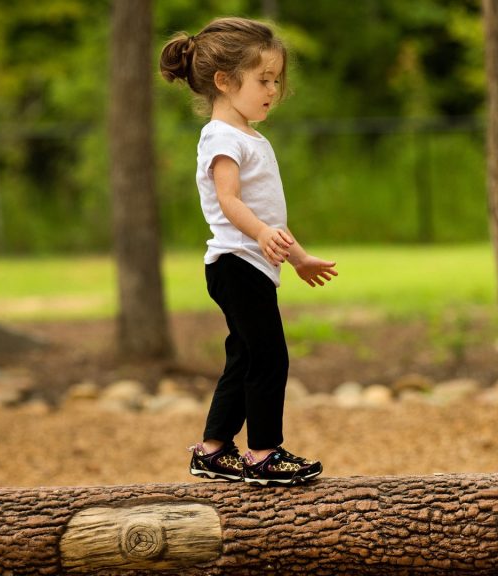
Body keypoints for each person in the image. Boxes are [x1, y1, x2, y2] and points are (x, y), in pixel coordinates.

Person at [160, 17, 338, 486]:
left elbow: (270, 220)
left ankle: (214, 449)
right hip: (237, 263)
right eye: (263, 80)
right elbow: (229, 200)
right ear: (224, 81)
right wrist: (260, 234)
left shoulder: (249, 137)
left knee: (244, 357)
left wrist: (298, 258)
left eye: (276, 80)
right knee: (269, 357)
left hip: (248, 263)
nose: (273, 90)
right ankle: (263, 454)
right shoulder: (222, 137)